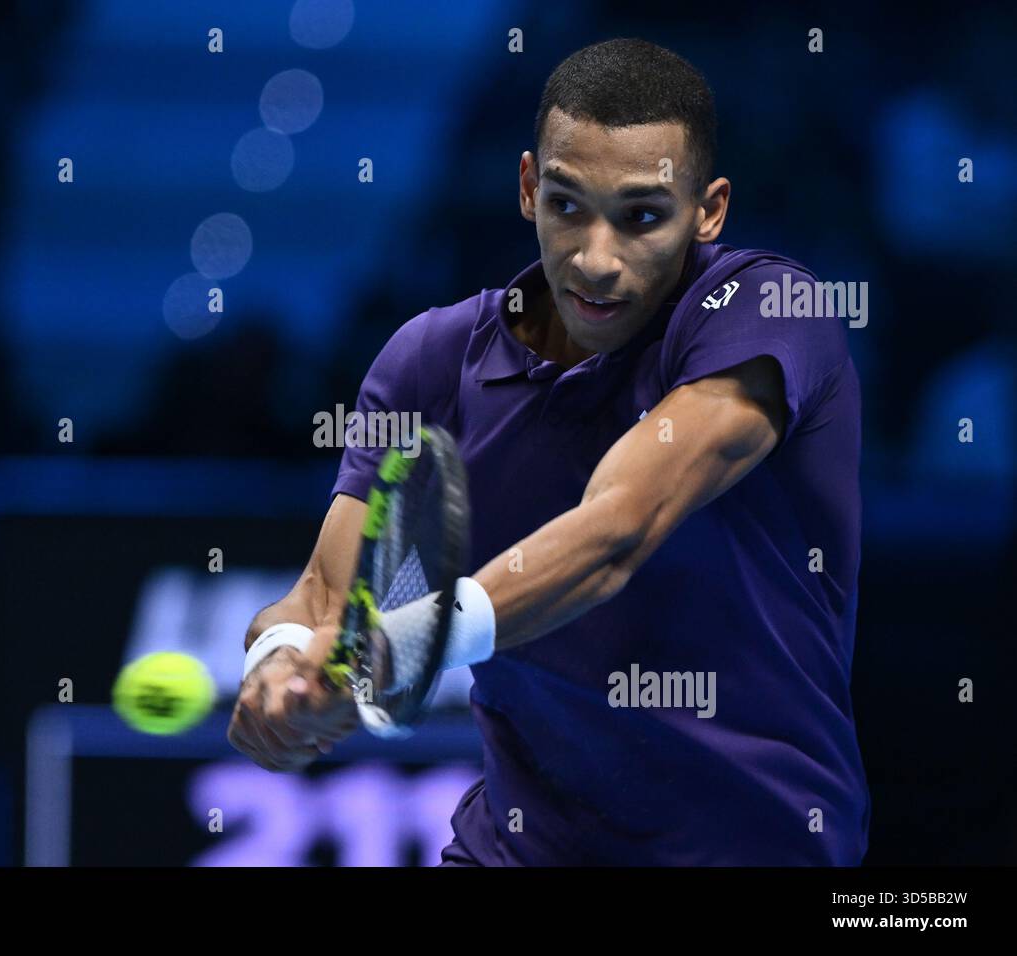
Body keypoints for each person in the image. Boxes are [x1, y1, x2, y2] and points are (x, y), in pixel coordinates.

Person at [227, 38, 870, 865]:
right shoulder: (431, 360)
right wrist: (278, 664)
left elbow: (617, 528)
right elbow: (322, 598)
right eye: (568, 206)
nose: (596, 260)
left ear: (708, 210)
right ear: (529, 186)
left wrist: (410, 646)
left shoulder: (769, 312)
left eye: (642, 216)